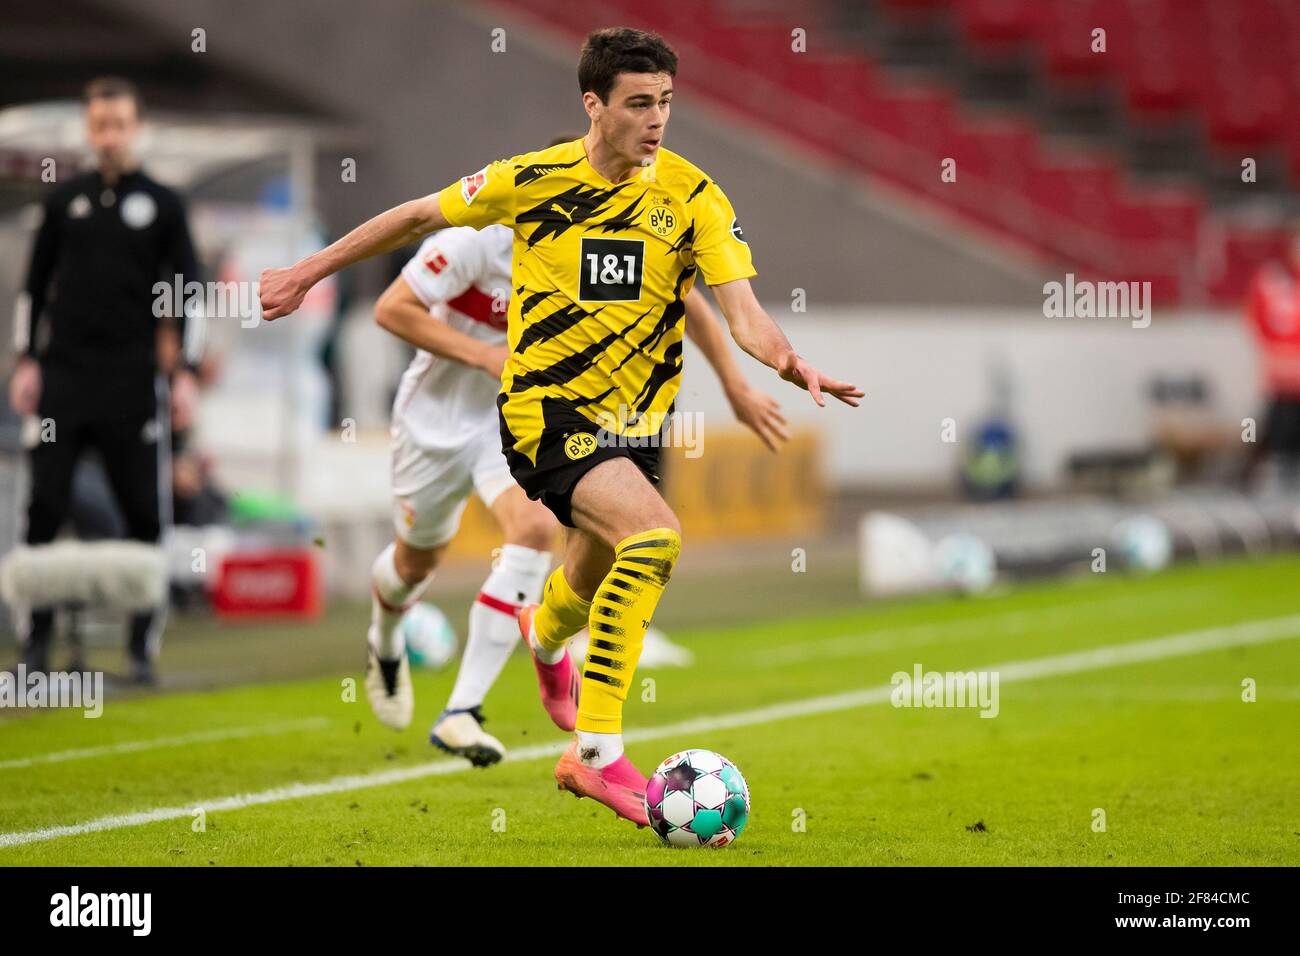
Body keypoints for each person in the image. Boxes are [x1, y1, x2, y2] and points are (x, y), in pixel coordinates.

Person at [258, 27, 861, 825]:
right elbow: (412, 217)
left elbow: (739, 315)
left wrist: (788, 364)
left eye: (667, 103)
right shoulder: (532, 181)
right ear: (594, 104)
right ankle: (600, 756)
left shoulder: (694, 196)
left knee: (585, 576)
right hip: (547, 415)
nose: (657, 121)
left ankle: (544, 638)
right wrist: (303, 273)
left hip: (638, 423)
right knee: (653, 540)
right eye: (640, 104)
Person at [9, 76, 204, 684]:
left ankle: (141, 646)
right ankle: (36, 643)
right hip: (64, 380)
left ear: (137, 128)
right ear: (88, 131)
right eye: (99, 126)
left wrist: (186, 374)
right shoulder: (62, 200)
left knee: (143, 511)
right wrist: (25, 359)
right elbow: (33, 288)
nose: (109, 137)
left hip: (132, 381)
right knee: (44, 507)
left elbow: (189, 292)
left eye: (119, 125)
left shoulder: (165, 204)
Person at [1242, 223, 1300, 490]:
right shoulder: (1271, 281)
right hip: (1283, 381)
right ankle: (1275, 475)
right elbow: (1257, 321)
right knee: (1280, 432)